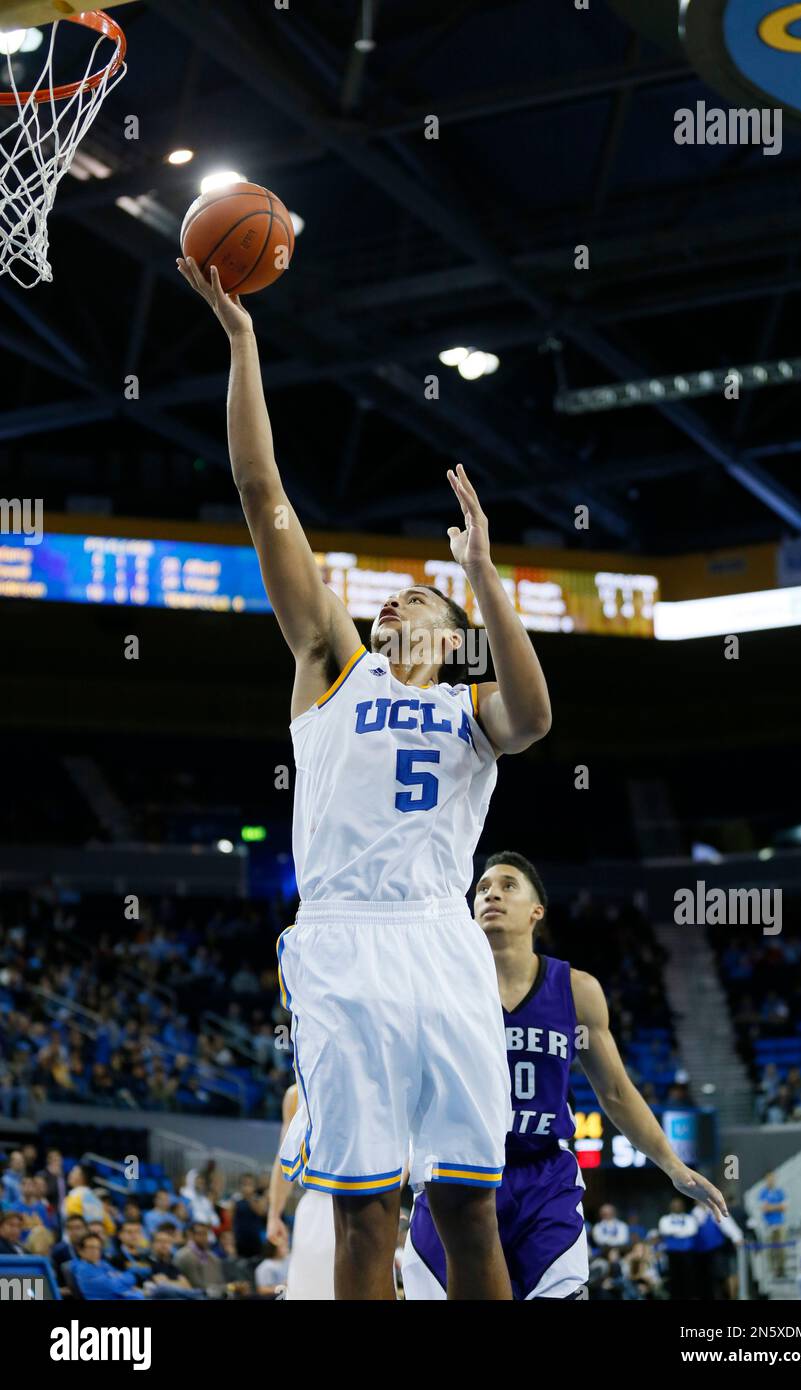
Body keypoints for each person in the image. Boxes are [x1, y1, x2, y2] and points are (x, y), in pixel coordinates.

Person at [178, 258, 553, 1301]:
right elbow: (262, 498)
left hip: (439, 939)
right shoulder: (330, 669)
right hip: (343, 940)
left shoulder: (470, 705)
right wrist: (244, 343)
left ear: (453, 637)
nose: (389, 609)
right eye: (383, 601)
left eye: (411, 605)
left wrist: (479, 578)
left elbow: (533, 718)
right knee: (363, 1212)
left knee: (468, 1205)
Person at [401, 854, 727, 1300]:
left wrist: (671, 1164)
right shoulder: (435, 986)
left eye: (509, 885)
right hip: (457, 1173)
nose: (491, 893)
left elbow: (614, 1091)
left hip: (543, 1177)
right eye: (482, 888)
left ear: (538, 910)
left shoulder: (576, 990)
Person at [267, 1084, 334, 1300]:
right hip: (318, 1200)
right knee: (309, 1291)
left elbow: (401, 1148)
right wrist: (274, 1214)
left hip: (366, 1196)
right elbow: (283, 1157)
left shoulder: (371, 1076)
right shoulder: (297, 1094)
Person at [174, 1222, 226, 1294]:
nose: (204, 1237)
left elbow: (220, 1281)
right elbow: (196, 1285)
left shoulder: (214, 1258)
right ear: (191, 1235)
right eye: (200, 1234)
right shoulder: (185, 1256)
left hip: (216, 1294)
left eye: (205, 1234)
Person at [758, 1171, 787, 1278]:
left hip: (780, 1224)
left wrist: (771, 1207)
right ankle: (772, 1270)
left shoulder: (779, 1191)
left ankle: (781, 1269)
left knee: (782, 1248)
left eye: (772, 1178)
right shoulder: (763, 1192)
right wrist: (777, 1206)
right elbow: (764, 1208)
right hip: (768, 1225)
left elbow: (784, 1208)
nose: (771, 1180)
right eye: (769, 1178)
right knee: (770, 1249)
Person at [255, 1224, 291, 1298]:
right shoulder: (265, 1266)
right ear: (274, 1247)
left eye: (286, 1244)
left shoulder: (289, 1259)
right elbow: (262, 1290)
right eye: (282, 1245)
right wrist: (283, 1286)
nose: (286, 1246)